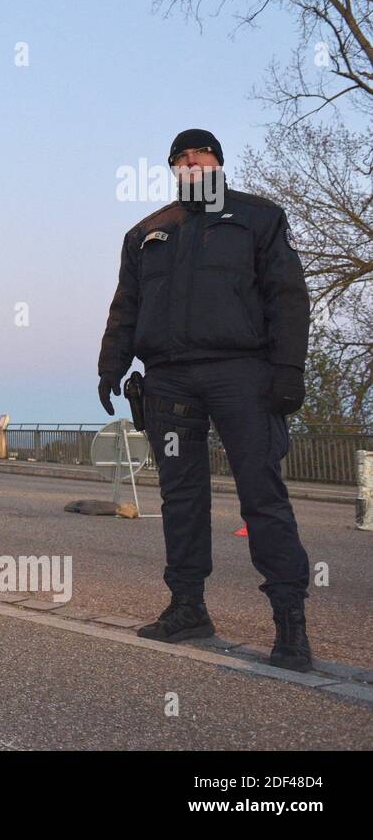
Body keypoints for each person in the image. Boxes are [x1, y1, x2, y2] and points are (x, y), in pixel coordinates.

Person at [97, 128, 314, 670]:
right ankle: (188, 607)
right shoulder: (147, 233)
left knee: (261, 494)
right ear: (172, 168)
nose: (192, 163)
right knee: (182, 497)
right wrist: (111, 366)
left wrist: (288, 370)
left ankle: (290, 621)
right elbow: (126, 307)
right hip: (169, 380)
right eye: (181, 158)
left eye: (201, 155)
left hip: (242, 374)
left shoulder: (259, 218)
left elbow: (288, 297)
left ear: (218, 162)